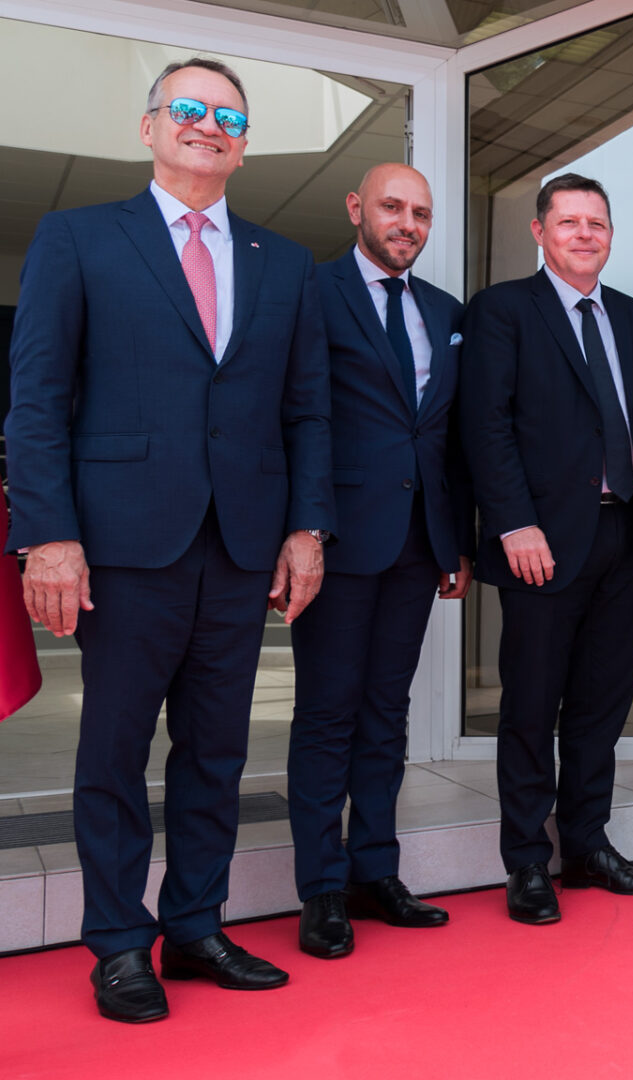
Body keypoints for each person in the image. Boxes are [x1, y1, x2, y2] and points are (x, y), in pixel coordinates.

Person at [6, 57, 331, 1022]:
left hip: (239, 547)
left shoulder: (283, 265)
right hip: (120, 548)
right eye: (187, 109)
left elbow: (307, 413)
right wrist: (47, 535)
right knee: (112, 753)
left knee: (215, 753)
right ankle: (117, 943)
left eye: (228, 116)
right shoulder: (76, 239)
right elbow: (37, 401)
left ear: (244, 143)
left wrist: (306, 529)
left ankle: (194, 925)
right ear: (149, 128)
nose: (208, 125)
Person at [461, 173, 633, 925]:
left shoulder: (627, 317)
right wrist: (513, 522)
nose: (585, 235)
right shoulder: (502, 312)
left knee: (601, 703)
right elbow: (485, 427)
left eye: (597, 223)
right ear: (539, 231)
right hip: (542, 544)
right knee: (530, 705)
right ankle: (527, 860)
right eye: (570, 222)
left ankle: (587, 844)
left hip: (623, 535)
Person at [288, 163, 472, 960]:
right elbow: (297, 416)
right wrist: (304, 530)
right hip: (338, 540)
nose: (408, 223)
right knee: (329, 713)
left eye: (421, 213)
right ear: (358, 208)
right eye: (393, 207)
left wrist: (454, 538)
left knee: (385, 712)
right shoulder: (310, 292)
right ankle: (322, 890)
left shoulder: (444, 311)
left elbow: (449, 435)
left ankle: (375, 872)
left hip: (417, 542)